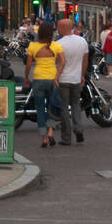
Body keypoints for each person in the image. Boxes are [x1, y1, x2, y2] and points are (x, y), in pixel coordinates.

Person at [24, 20, 65, 148]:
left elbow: (29, 65)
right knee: (51, 107)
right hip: (52, 79)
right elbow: (63, 62)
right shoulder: (56, 46)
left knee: (40, 109)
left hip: (38, 79)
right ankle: (51, 132)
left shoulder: (32, 46)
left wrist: (26, 77)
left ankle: (44, 138)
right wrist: (57, 77)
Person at [55, 18, 89, 145]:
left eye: (59, 27)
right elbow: (85, 61)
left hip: (63, 79)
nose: (57, 29)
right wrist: (82, 75)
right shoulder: (82, 41)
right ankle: (78, 129)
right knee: (76, 105)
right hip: (76, 78)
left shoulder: (59, 44)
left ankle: (66, 137)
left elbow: (57, 62)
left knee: (64, 107)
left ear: (64, 28)